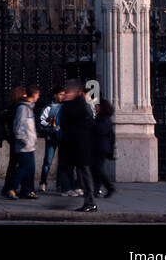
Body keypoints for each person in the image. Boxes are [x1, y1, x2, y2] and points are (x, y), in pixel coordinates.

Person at [59, 78, 98, 212]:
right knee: (81, 174)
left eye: (67, 91)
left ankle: (90, 202)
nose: (65, 94)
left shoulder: (80, 106)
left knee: (84, 175)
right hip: (75, 146)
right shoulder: (70, 105)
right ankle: (87, 201)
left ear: (75, 92)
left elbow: (87, 126)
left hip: (81, 147)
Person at [11, 84, 40, 199]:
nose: (38, 97)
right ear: (34, 94)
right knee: (23, 169)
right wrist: (26, 140)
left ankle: (27, 190)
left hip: (29, 145)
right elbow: (18, 127)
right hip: (25, 145)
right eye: (38, 94)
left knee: (30, 170)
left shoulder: (29, 107)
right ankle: (12, 188)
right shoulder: (23, 108)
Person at [0, 84, 26, 197]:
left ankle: (9, 187)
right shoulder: (17, 108)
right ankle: (10, 187)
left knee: (14, 164)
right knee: (16, 164)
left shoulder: (12, 108)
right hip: (16, 139)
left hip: (13, 138)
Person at [38, 86, 66, 193]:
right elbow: (42, 121)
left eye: (64, 94)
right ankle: (43, 182)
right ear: (55, 95)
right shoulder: (49, 107)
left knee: (62, 163)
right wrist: (54, 125)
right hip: (52, 137)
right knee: (48, 162)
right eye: (60, 94)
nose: (62, 96)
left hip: (63, 138)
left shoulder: (66, 107)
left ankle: (60, 184)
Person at [93, 99, 117, 198]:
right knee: (97, 168)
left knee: (98, 168)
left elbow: (101, 130)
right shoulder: (100, 118)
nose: (95, 108)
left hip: (101, 147)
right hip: (99, 147)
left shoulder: (105, 119)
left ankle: (109, 186)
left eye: (97, 106)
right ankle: (97, 189)